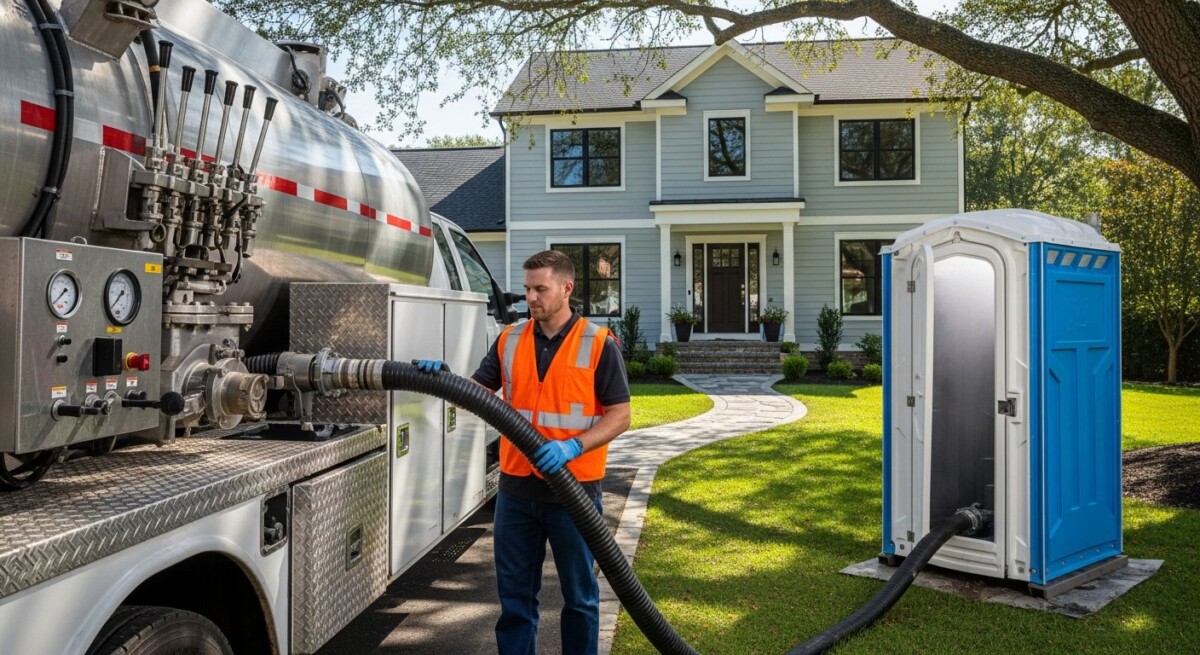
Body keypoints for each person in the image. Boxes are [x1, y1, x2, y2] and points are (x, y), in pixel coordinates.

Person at [419, 249, 629, 654]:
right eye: (528, 288)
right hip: (515, 491)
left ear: (566, 289)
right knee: (515, 602)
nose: (531, 297)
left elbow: (620, 415)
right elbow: (480, 394)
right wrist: (447, 381)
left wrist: (573, 446)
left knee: (581, 601)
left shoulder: (600, 343)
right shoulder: (510, 339)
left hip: (575, 491)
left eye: (541, 289)